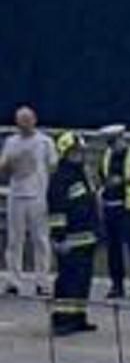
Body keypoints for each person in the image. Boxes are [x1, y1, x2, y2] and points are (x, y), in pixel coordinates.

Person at [46, 131, 99, 336]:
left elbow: (90, 205)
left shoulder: (82, 174)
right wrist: (59, 236)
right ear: (65, 153)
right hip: (70, 240)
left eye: (80, 151)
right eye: (74, 152)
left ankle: (77, 317)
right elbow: (57, 210)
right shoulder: (61, 177)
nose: (79, 155)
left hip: (86, 238)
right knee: (68, 280)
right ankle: (62, 320)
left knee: (82, 280)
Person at [1, 106, 56, 298]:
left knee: (40, 240)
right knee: (14, 241)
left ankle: (42, 281)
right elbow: (4, 167)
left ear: (34, 120)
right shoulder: (11, 142)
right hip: (16, 195)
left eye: (27, 119)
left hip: (38, 196)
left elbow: (53, 166)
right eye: (20, 120)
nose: (24, 124)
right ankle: (13, 281)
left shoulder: (45, 142)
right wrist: (8, 165)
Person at [96, 124, 130, 301]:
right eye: (109, 143)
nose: (112, 146)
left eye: (114, 142)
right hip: (110, 205)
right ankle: (117, 285)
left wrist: (124, 180)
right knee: (113, 249)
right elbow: (101, 177)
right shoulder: (106, 155)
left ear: (122, 139)